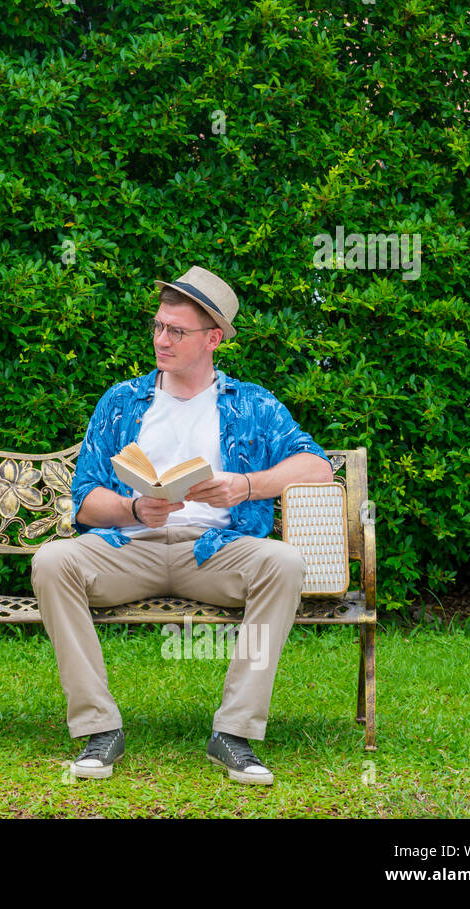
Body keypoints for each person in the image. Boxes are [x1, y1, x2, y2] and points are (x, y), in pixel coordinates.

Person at [31, 266, 333, 785]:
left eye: (177, 331)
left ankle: (234, 734)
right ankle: (99, 729)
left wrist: (245, 485)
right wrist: (134, 510)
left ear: (213, 339)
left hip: (215, 550)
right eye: (158, 326)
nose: (161, 340)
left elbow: (318, 468)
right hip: (131, 546)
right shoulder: (123, 400)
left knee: (283, 562)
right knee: (53, 560)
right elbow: (84, 500)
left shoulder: (252, 404)